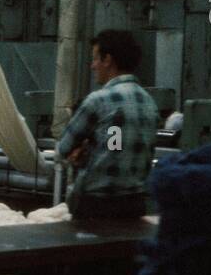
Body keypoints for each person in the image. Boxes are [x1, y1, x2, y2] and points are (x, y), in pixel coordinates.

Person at [56, 29, 158, 219]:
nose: (92, 66)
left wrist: (81, 151)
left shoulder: (99, 101)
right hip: (135, 205)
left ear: (108, 60)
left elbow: (63, 148)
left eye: (95, 59)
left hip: (97, 206)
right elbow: (115, 144)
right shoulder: (149, 102)